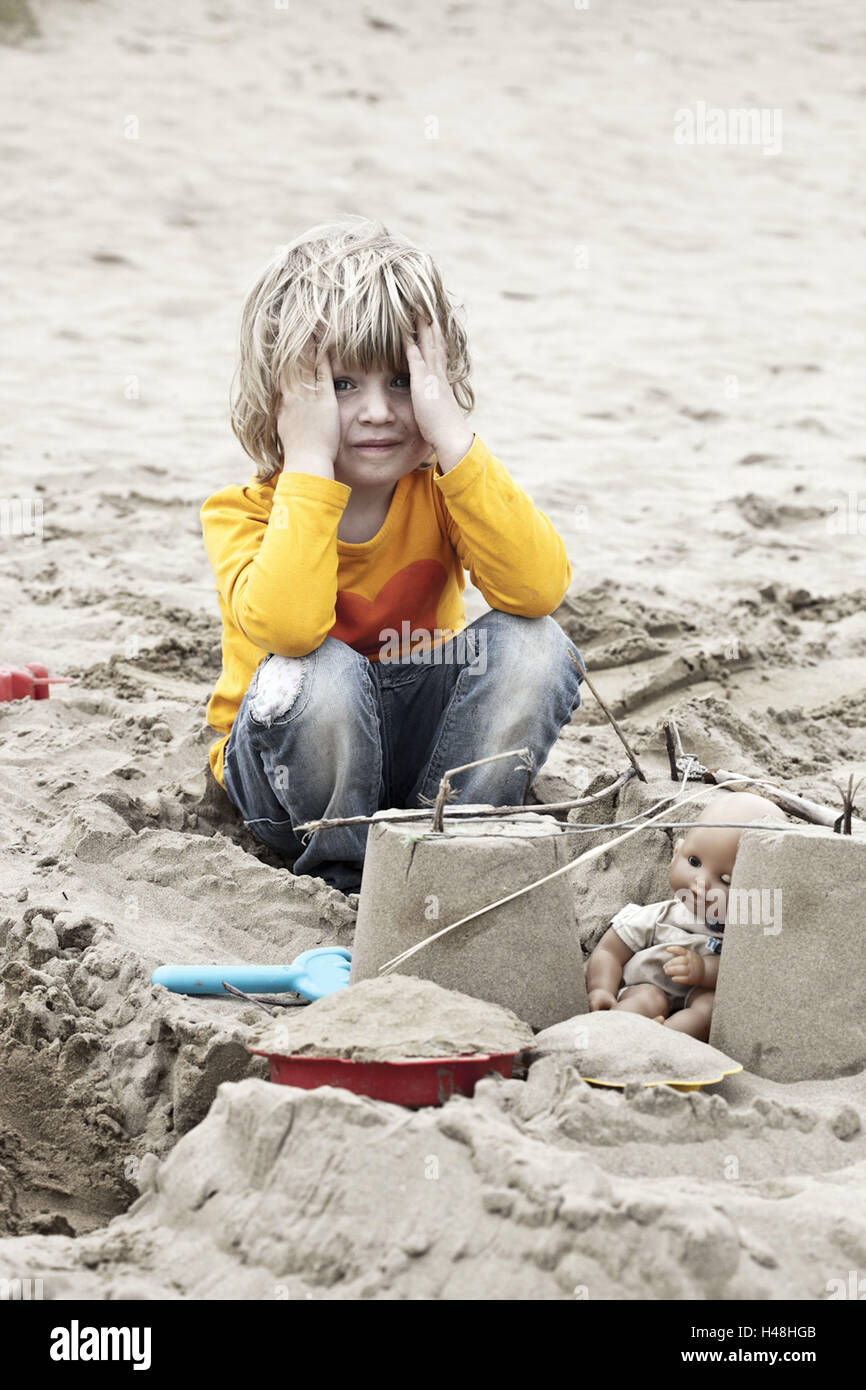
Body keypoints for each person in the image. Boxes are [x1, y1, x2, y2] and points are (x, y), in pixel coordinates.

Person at [200, 217, 584, 894]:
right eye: (343, 385)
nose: (378, 411)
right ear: (281, 397)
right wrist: (312, 460)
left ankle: (450, 845)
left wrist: (454, 439)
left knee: (535, 644)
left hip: (421, 750)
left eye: (402, 382)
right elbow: (290, 631)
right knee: (314, 671)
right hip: (287, 780)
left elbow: (537, 589)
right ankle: (346, 872)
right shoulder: (244, 512)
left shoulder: (442, 490)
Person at [585, 792, 787, 1040]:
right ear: (676, 853)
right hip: (646, 984)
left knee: (709, 1010)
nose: (700, 884)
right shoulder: (661, 915)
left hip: (699, 994)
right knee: (647, 1000)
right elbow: (608, 951)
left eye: (726, 880)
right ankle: (615, 1033)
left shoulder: (745, 935)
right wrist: (602, 988)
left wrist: (703, 970)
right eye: (693, 861)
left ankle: (666, 1040)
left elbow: (740, 971)